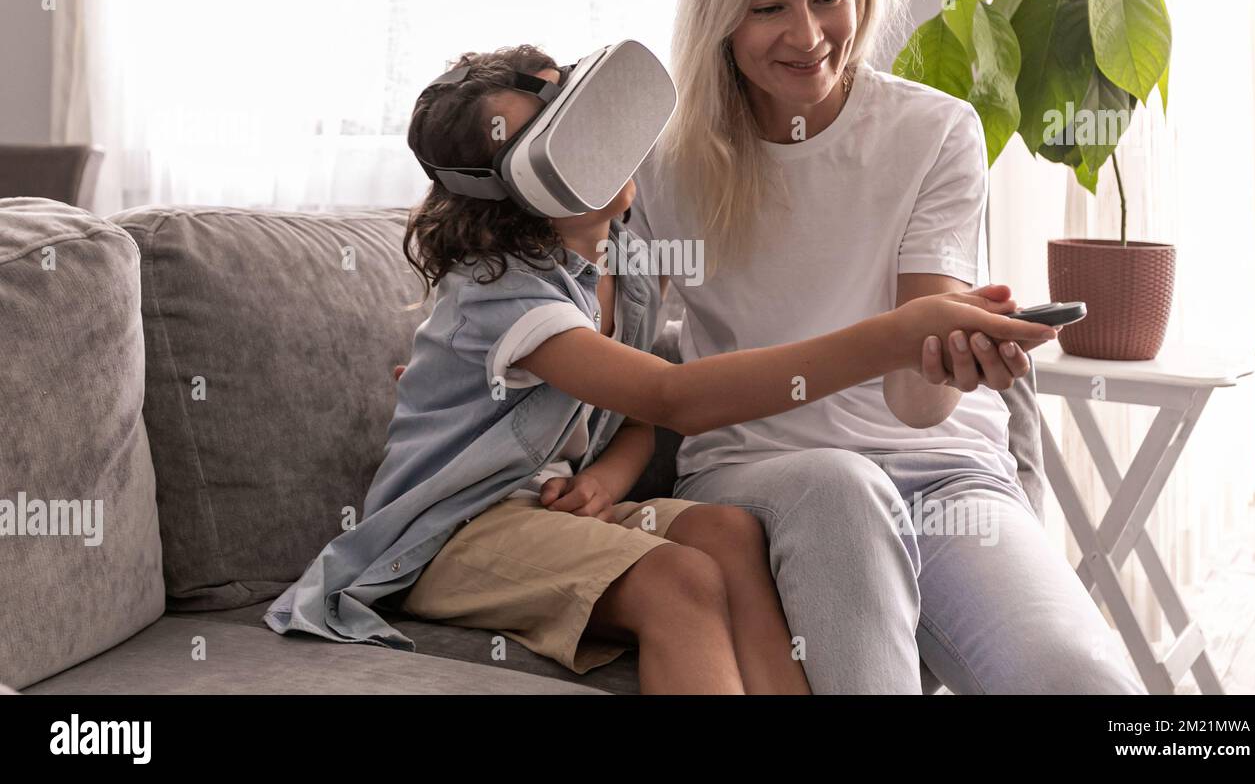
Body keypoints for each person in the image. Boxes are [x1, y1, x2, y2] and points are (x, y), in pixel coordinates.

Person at [382, 43, 1054, 694]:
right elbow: (670, 397)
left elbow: (637, 416)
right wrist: (899, 335)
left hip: (545, 515)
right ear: (504, 196)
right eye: (552, 151)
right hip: (452, 535)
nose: (593, 145)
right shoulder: (504, 295)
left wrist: (610, 480)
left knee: (730, 535)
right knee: (680, 582)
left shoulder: (625, 269)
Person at [625, 0, 1146, 693]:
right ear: (720, 16)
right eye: (768, 8)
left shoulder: (934, 131)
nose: (809, 33)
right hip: (765, 469)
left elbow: (916, 404)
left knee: (1080, 679)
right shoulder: (664, 165)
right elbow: (621, 358)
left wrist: (945, 358)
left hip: (941, 471)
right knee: (840, 483)